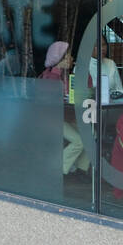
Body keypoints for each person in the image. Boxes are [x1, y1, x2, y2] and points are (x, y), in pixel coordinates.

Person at [41, 40, 89, 176]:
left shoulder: (66, 75)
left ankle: (81, 168)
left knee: (91, 135)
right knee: (79, 141)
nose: (72, 58)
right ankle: (57, 171)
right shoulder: (49, 77)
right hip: (52, 120)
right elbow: (48, 105)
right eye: (68, 56)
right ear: (60, 59)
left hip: (66, 118)